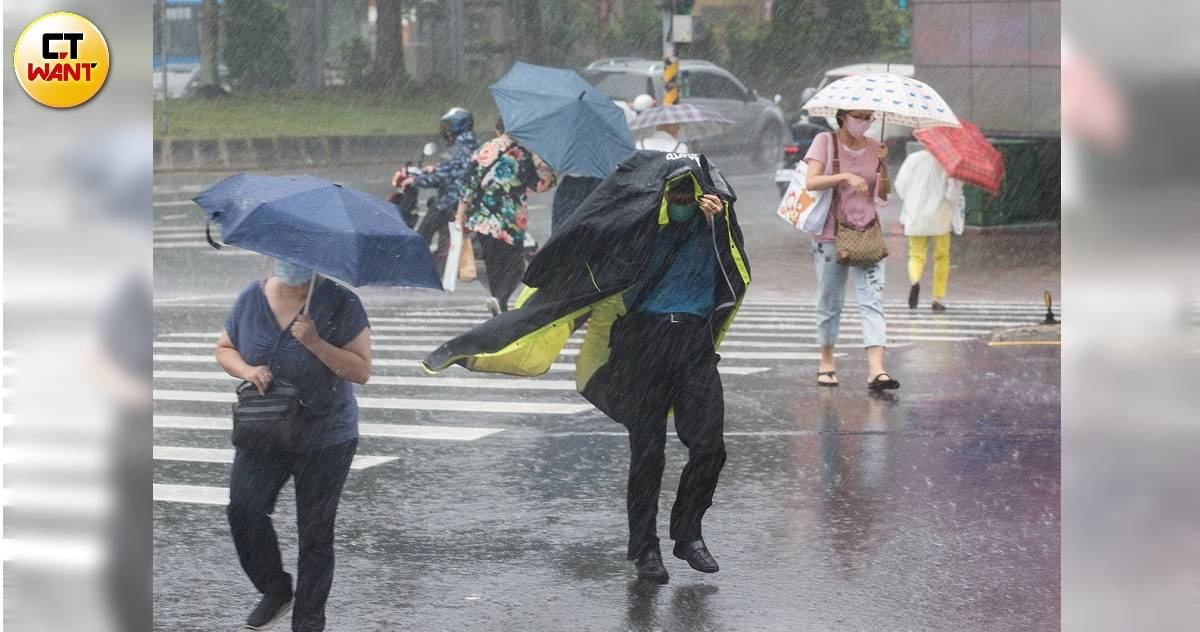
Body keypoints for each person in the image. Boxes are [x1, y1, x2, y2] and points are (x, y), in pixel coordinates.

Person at [423, 152, 751, 585]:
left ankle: (687, 533)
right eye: (673, 193)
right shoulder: (639, 228)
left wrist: (717, 225)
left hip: (694, 346)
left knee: (710, 447)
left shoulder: (716, 227)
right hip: (642, 342)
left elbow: (734, 272)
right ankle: (645, 550)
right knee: (648, 451)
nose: (681, 201)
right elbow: (588, 262)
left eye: (688, 194)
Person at [215, 258, 371, 632]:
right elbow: (225, 348)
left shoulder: (340, 302)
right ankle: (275, 589)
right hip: (265, 429)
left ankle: (308, 623)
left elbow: (361, 370)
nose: (292, 264)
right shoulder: (251, 298)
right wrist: (248, 370)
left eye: (302, 257)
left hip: (326, 435)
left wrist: (316, 343)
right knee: (244, 510)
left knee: (314, 535)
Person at [803, 109, 899, 391]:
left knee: (872, 300)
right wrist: (845, 176)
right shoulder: (825, 141)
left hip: (867, 232)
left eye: (869, 117)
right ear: (843, 116)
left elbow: (882, 194)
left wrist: (883, 164)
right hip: (830, 234)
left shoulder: (875, 147)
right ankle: (826, 361)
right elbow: (811, 181)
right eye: (859, 116)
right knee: (830, 300)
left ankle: (876, 370)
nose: (865, 122)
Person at [456, 121, 557, 315]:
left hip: (483, 220)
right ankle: (500, 299)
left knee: (494, 264)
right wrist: (548, 172)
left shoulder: (482, 151)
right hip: (510, 222)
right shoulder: (522, 155)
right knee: (515, 266)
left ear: (497, 129)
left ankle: (498, 303)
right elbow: (538, 186)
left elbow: (468, 186)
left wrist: (460, 214)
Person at [893, 149, 965, 311]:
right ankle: (937, 298)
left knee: (916, 255)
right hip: (940, 216)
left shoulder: (913, 159)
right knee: (942, 257)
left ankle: (915, 281)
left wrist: (913, 197)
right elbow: (953, 193)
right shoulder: (949, 162)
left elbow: (900, 186)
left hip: (916, 214)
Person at [401, 107, 479, 256]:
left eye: (449, 126)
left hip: (449, 201)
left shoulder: (456, 149)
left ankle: (417, 262)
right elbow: (457, 169)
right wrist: (435, 168)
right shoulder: (473, 145)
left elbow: (440, 178)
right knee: (445, 241)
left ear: (459, 126)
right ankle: (441, 261)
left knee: (422, 235)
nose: (446, 130)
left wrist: (415, 180)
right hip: (464, 200)